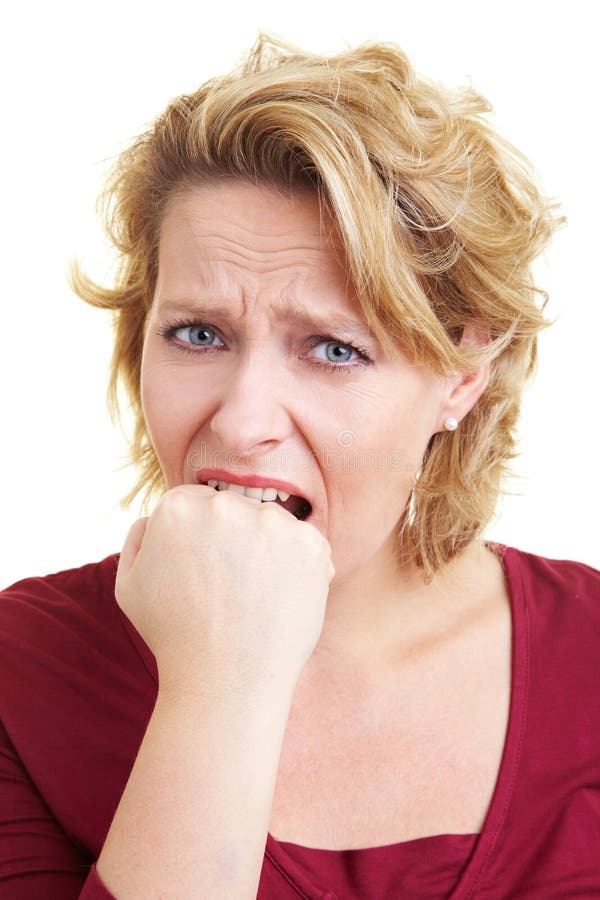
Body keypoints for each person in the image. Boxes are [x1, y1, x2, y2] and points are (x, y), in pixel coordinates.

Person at [1, 32, 598, 900]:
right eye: (197, 334)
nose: (242, 423)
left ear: (462, 378)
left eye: (333, 349)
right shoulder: (23, 674)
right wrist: (220, 687)